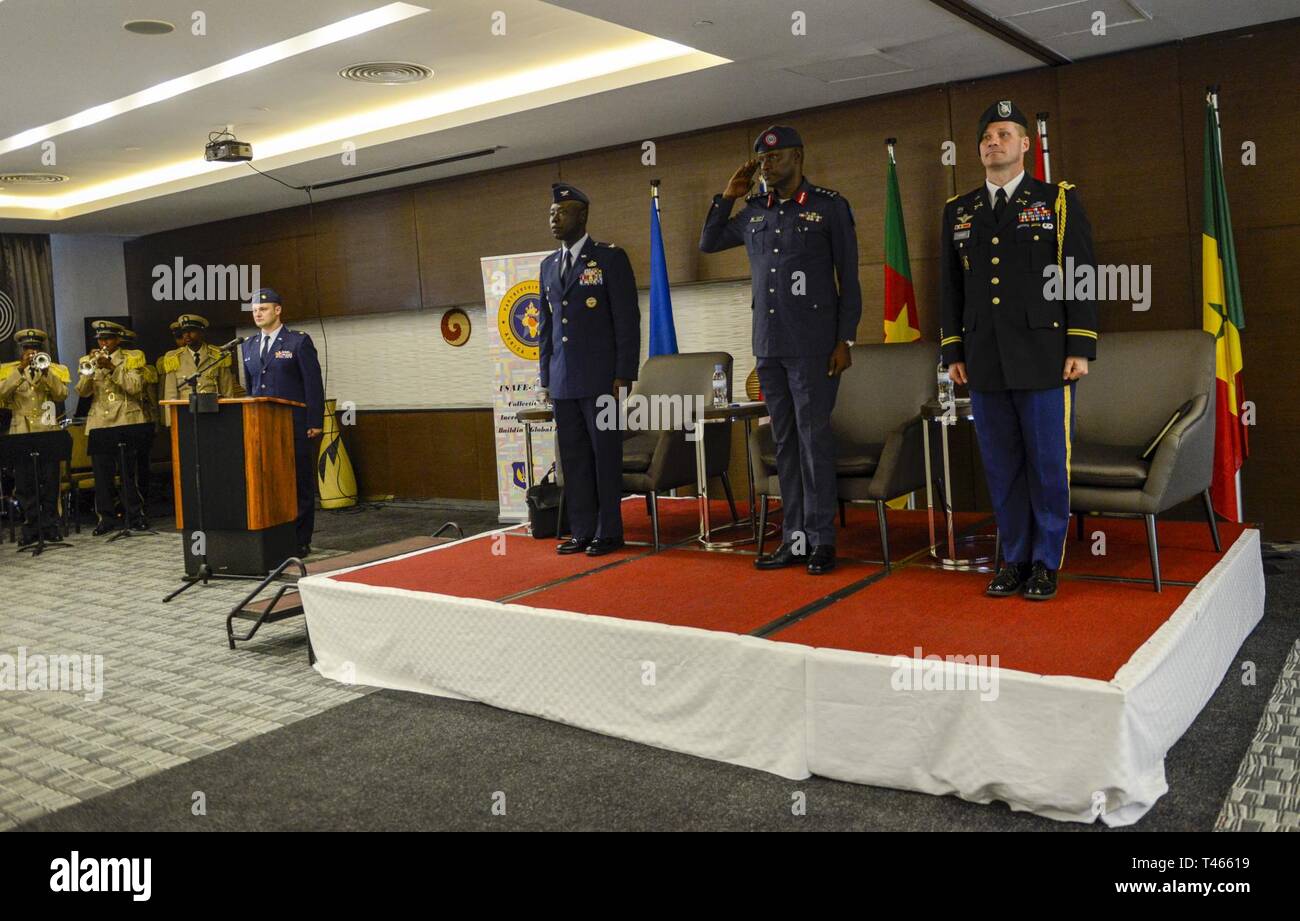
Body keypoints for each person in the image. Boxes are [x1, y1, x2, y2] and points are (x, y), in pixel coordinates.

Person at [940, 99, 1097, 601]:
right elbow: (950, 289)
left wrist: (1081, 344)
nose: (994, 142)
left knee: (1048, 465)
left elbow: (1079, 276)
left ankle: (1046, 562)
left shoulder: (1056, 202)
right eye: (987, 135)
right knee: (1002, 467)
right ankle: (1014, 558)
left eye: (1005, 134)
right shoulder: (958, 211)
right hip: (984, 359)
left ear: (1025, 145)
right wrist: (953, 351)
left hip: (1045, 356)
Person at [700, 125, 861, 574]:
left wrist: (844, 339)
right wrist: (728, 195)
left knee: (813, 443)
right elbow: (709, 242)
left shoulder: (828, 207)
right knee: (785, 444)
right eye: (761, 160)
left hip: (814, 348)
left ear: (798, 157)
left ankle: (822, 540)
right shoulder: (754, 212)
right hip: (768, 348)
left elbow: (849, 279)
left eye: (774, 158)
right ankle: (795, 539)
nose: (766, 166)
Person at [537, 182, 640, 556]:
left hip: (602, 380)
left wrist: (624, 373)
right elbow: (546, 328)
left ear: (582, 215)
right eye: (551, 213)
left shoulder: (610, 259)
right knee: (575, 459)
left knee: (604, 458)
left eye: (561, 212)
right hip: (563, 381)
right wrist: (546, 378)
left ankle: (609, 531)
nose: (554, 219)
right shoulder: (549, 265)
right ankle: (582, 530)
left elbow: (627, 319)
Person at [241, 288, 324, 557]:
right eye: (254, 310)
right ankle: (276, 536)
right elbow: (251, 386)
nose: (257, 313)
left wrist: (315, 420)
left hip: (295, 424)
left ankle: (300, 540)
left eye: (263, 309)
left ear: (278, 310)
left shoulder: (297, 342)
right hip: (262, 427)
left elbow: (312, 384)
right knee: (270, 483)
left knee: (299, 483)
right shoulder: (249, 345)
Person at [76, 320, 148, 534]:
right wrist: (90, 370)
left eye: (108, 338)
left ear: (118, 339)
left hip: (126, 419)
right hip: (100, 421)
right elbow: (82, 392)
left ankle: (135, 516)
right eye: (100, 339)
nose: (103, 343)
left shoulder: (132, 358)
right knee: (102, 475)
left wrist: (112, 367)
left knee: (128, 473)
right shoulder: (87, 360)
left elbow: (135, 387)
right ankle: (106, 519)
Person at [0, 328, 70, 545]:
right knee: (25, 483)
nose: (32, 352)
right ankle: (30, 527)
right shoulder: (8, 371)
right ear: (21, 350)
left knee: (50, 481)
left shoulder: (53, 369)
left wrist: (47, 373)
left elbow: (61, 394)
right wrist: (20, 370)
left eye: (36, 348)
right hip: (21, 431)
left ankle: (50, 525)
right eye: (28, 348)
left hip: (47, 430)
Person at [161, 313, 239, 403]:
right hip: (185, 412)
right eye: (184, 332)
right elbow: (170, 397)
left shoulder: (217, 355)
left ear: (201, 332)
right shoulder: (174, 358)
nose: (187, 335)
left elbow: (227, 392)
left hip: (213, 411)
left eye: (191, 331)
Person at [120, 327, 157, 511]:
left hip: (142, 420)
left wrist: (155, 421)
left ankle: (143, 504)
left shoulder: (145, 369)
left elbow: (150, 398)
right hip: (124, 421)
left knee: (141, 467)